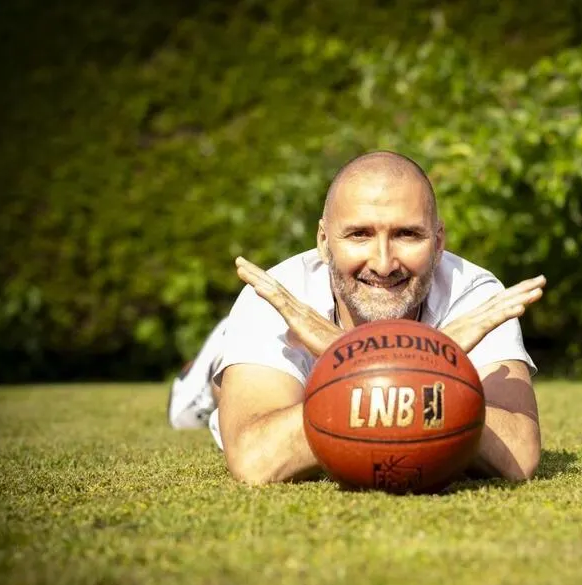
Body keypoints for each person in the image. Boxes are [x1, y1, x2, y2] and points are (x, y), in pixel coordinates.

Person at [167, 150, 547, 485]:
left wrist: (359, 353)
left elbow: (518, 455)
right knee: (213, 398)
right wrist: (434, 368)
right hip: (219, 389)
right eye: (359, 234)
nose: (383, 263)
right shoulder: (276, 297)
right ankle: (210, 369)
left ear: (438, 243)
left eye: (407, 234)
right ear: (323, 241)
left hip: (318, 386)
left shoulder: (474, 295)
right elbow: (256, 460)